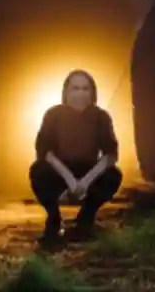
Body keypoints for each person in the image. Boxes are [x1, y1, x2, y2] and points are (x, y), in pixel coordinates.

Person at [30, 69, 123, 244]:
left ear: (93, 93)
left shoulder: (101, 117)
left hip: (88, 170)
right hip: (60, 170)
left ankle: (85, 221)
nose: (80, 93)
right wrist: (70, 181)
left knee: (113, 175)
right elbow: (45, 151)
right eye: (75, 88)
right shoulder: (53, 115)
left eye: (85, 88)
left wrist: (85, 182)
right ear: (66, 92)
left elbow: (110, 154)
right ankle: (54, 221)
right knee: (38, 171)